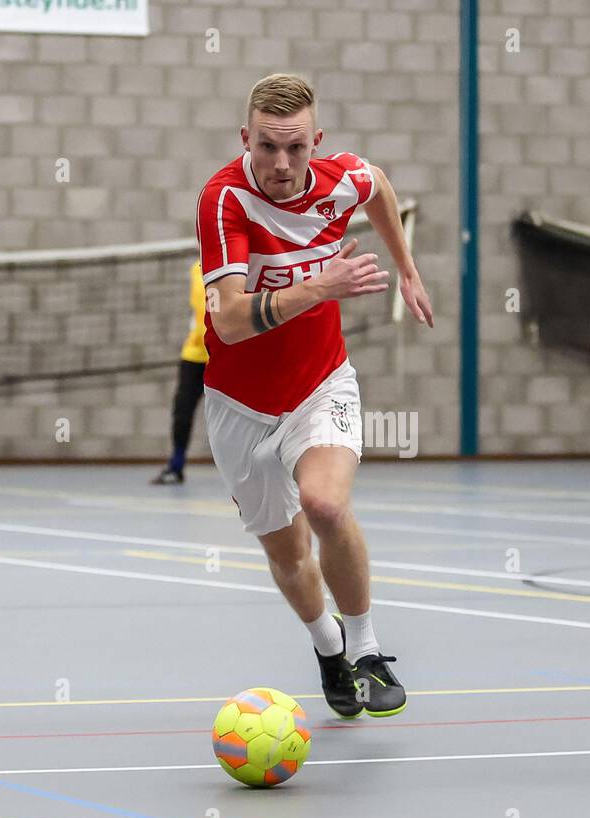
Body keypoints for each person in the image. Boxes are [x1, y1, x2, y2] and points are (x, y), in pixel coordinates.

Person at [195, 73, 434, 719]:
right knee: (287, 551)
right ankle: (328, 648)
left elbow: (378, 184)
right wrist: (319, 287)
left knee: (326, 505)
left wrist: (407, 269)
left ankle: (367, 649)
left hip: (321, 383)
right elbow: (231, 320)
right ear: (246, 139)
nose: (281, 163)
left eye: (296, 148)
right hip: (239, 407)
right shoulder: (224, 200)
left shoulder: (341, 180)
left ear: (316, 142)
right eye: (267, 147)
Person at [152, 260, 207, 485]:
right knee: (182, 410)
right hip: (194, 354)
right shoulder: (196, 269)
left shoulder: (241, 264)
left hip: (227, 354)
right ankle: (176, 466)